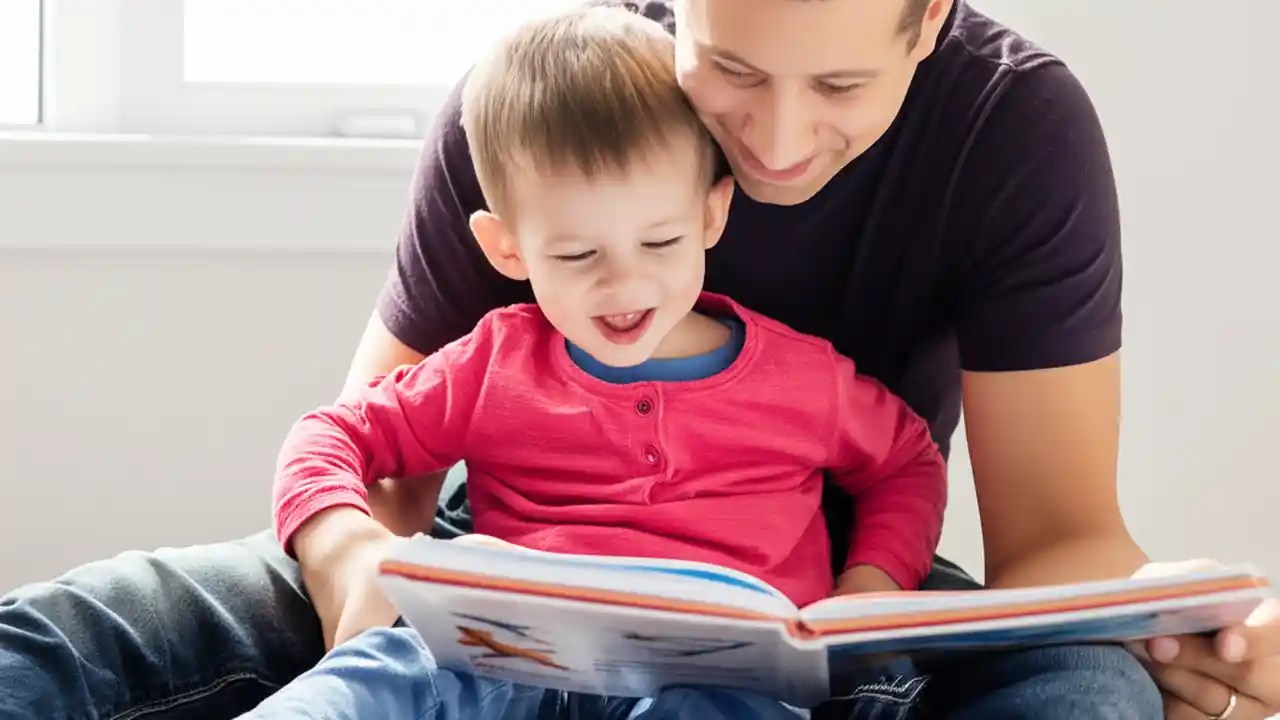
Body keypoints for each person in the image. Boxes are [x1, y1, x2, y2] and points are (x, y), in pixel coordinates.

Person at [0, 0, 1274, 718]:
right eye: (725, 68)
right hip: (495, 554)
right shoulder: (545, 103)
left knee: (1088, 694)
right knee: (82, 630)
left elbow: (1051, 532)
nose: (774, 140)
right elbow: (374, 450)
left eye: (836, 83)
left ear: (926, 18)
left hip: (814, 596)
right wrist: (356, 579)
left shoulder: (1012, 131)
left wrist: (1185, 635)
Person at [245, 11, 947, 718]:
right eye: (578, 255)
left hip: (716, 675)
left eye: (660, 241)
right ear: (508, 249)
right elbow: (329, 436)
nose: (623, 284)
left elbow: (907, 462)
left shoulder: (803, 380)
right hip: (503, 651)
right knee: (372, 679)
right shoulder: (495, 364)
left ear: (711, 216)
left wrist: (870, 587)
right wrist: (346, 543)